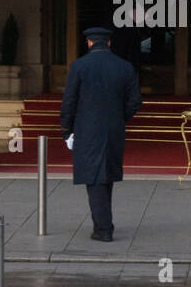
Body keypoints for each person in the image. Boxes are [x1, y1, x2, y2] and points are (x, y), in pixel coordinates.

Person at [60, 27, 142, 242]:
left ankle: (103, 229)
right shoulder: (124, 67)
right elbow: (135, 101)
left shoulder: (79, 66)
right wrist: (119, 118)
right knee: (106, 176)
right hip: (114, 129)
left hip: (87, 130)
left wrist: (66, 130)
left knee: (94, 179)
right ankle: (103, 223)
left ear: (89, 43)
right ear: (108, 43)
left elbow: (69, 101)